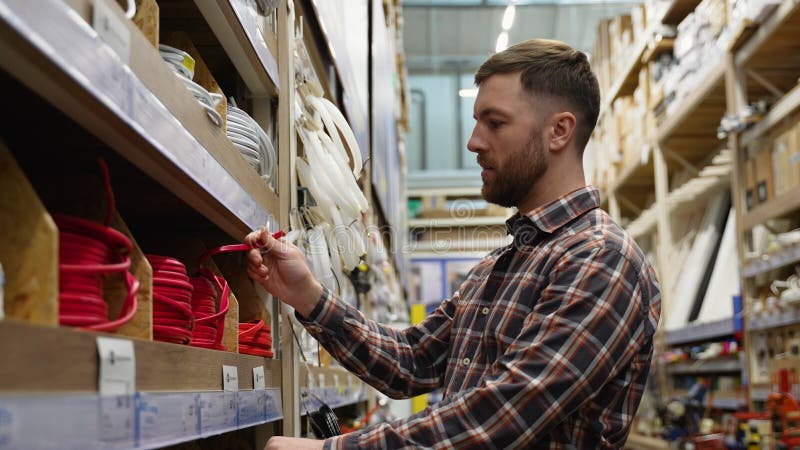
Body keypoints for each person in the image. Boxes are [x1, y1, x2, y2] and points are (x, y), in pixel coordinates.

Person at [246, 38, 661, 450]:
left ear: (559, 131)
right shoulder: (499, 266)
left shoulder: (601, 258)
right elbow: (411, 362)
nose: (473, 142)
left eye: (495, 123)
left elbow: (502, 418)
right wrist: (309, 297)